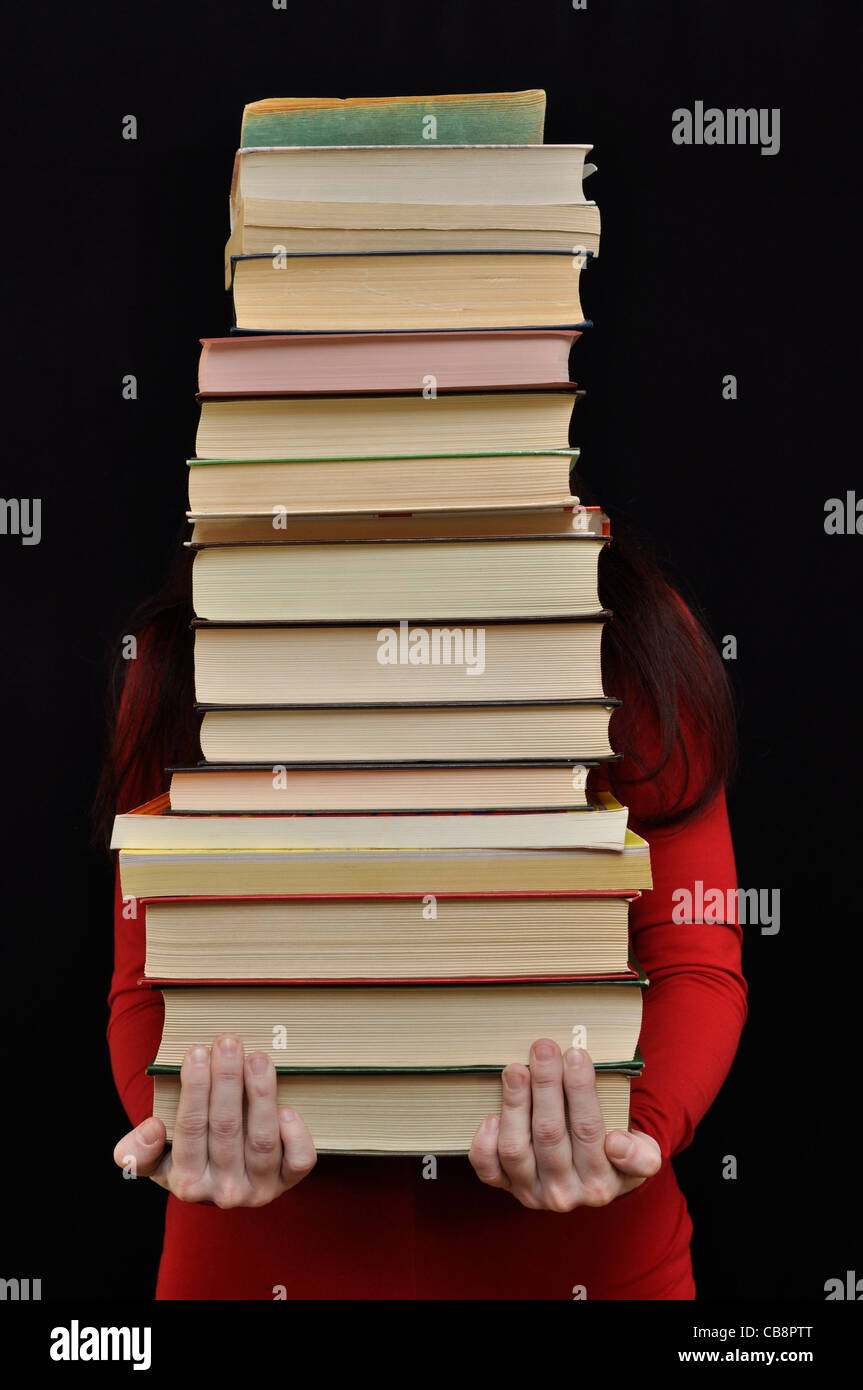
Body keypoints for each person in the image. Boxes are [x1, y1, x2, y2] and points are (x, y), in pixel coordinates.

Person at [95, 511, 746, 1300]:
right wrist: (184, 1129)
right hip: (255, 1267)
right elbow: (145, 981)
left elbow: (692, 952)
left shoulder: (624, 634)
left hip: (587, 1263)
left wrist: (628, 1133)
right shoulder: (188, 655)